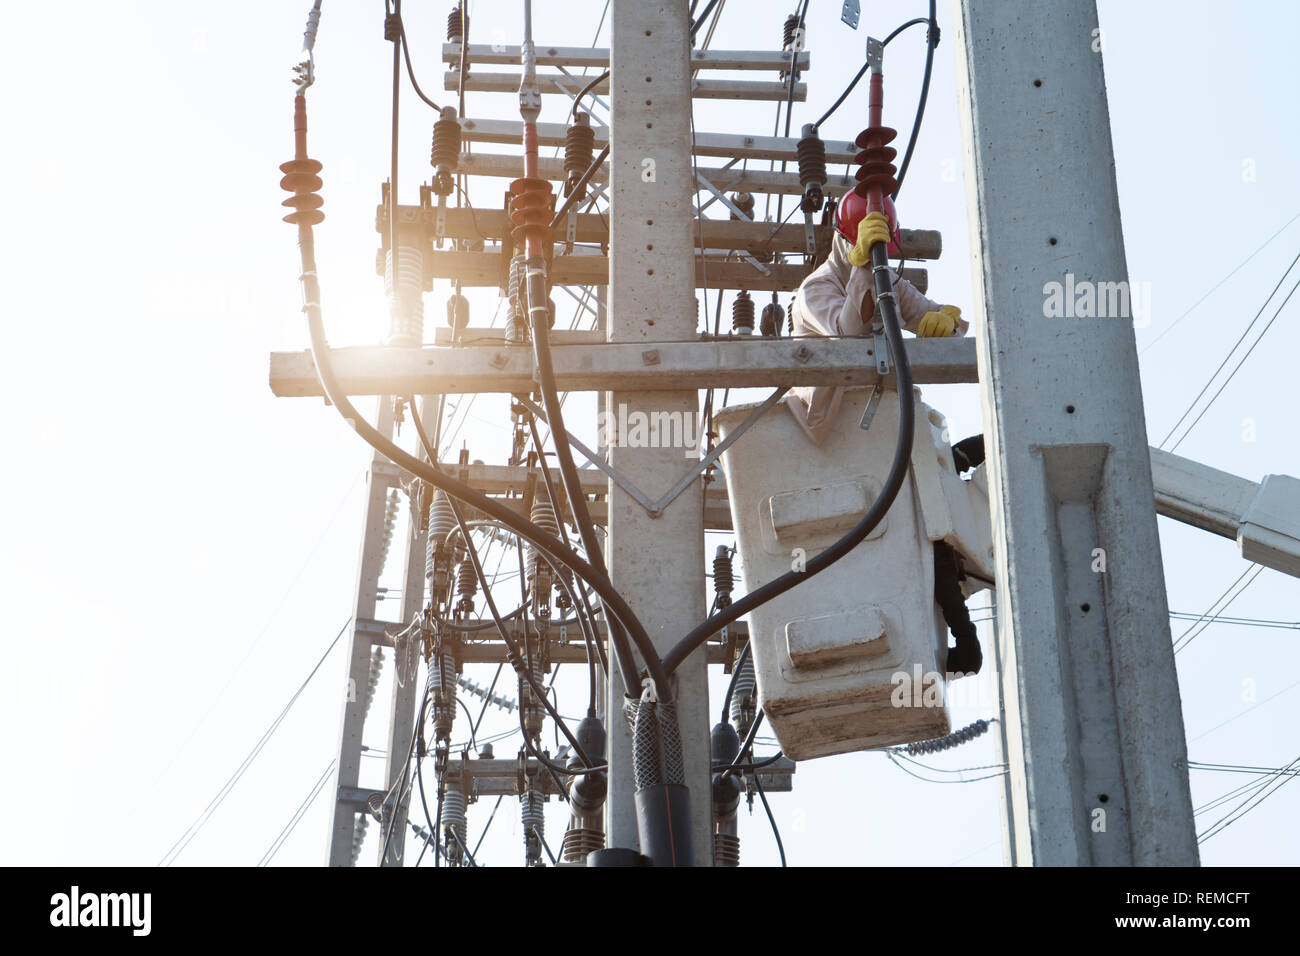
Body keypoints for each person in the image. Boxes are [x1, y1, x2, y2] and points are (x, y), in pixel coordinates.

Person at [787, 191, 968, 444]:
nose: (876, 259)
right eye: (867, 247)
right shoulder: (815, 289)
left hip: (881, 411)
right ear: (839, 239)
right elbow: (847, 336)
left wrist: (948, 321)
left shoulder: (887, 279)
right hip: (831, 421)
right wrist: (862, 271)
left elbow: (939, 318)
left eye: (881, 251)